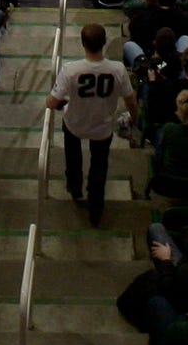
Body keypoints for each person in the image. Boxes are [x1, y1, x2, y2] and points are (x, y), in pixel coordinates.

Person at [48, 21, 131, 225]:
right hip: (103, 128)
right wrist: (134, 119)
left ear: (82, 43)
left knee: (73, 156)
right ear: (104, 43)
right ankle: (96, 206)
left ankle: (74, 186)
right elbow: (131, 100)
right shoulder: (118, 69)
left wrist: (63, 102)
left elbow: (51, 102)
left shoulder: (71, 70)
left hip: (74, 123)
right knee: (99, 166)